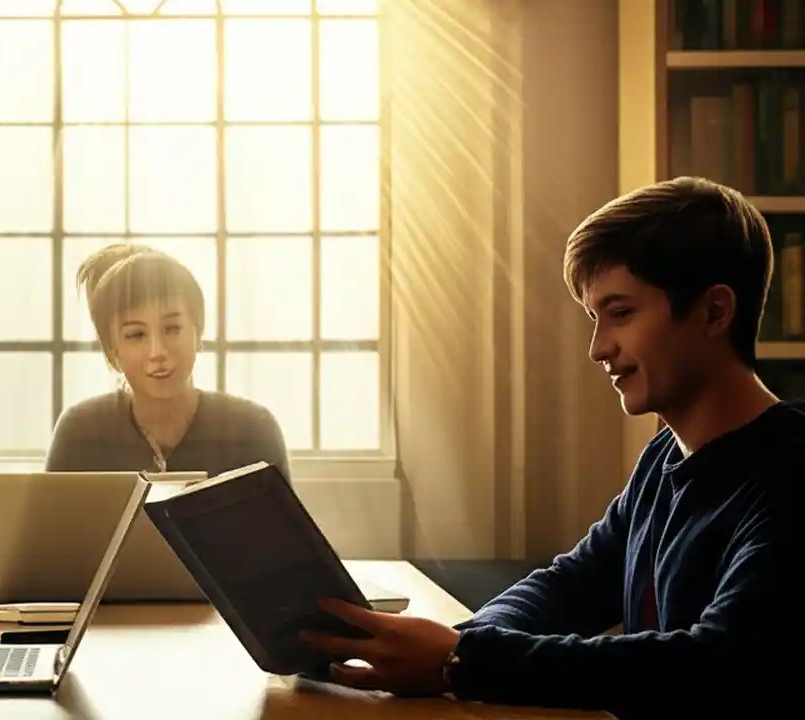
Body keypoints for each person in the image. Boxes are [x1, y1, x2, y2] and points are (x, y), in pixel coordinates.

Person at [300, 177, 796, 717]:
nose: (598, 347)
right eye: (594, 318)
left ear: (714, 313)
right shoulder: (664, 459)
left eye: (621, 313)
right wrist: (458, 643)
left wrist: (460, 661)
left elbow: (715, 663)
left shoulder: (793, 470)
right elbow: (571, 585)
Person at [45, 243, 290, 479]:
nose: (157, 352)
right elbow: (51, 521)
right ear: (111, 347)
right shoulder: (79, 434)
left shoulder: (253, 430)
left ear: (198, 329)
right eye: (136, 334)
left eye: (172, 328)